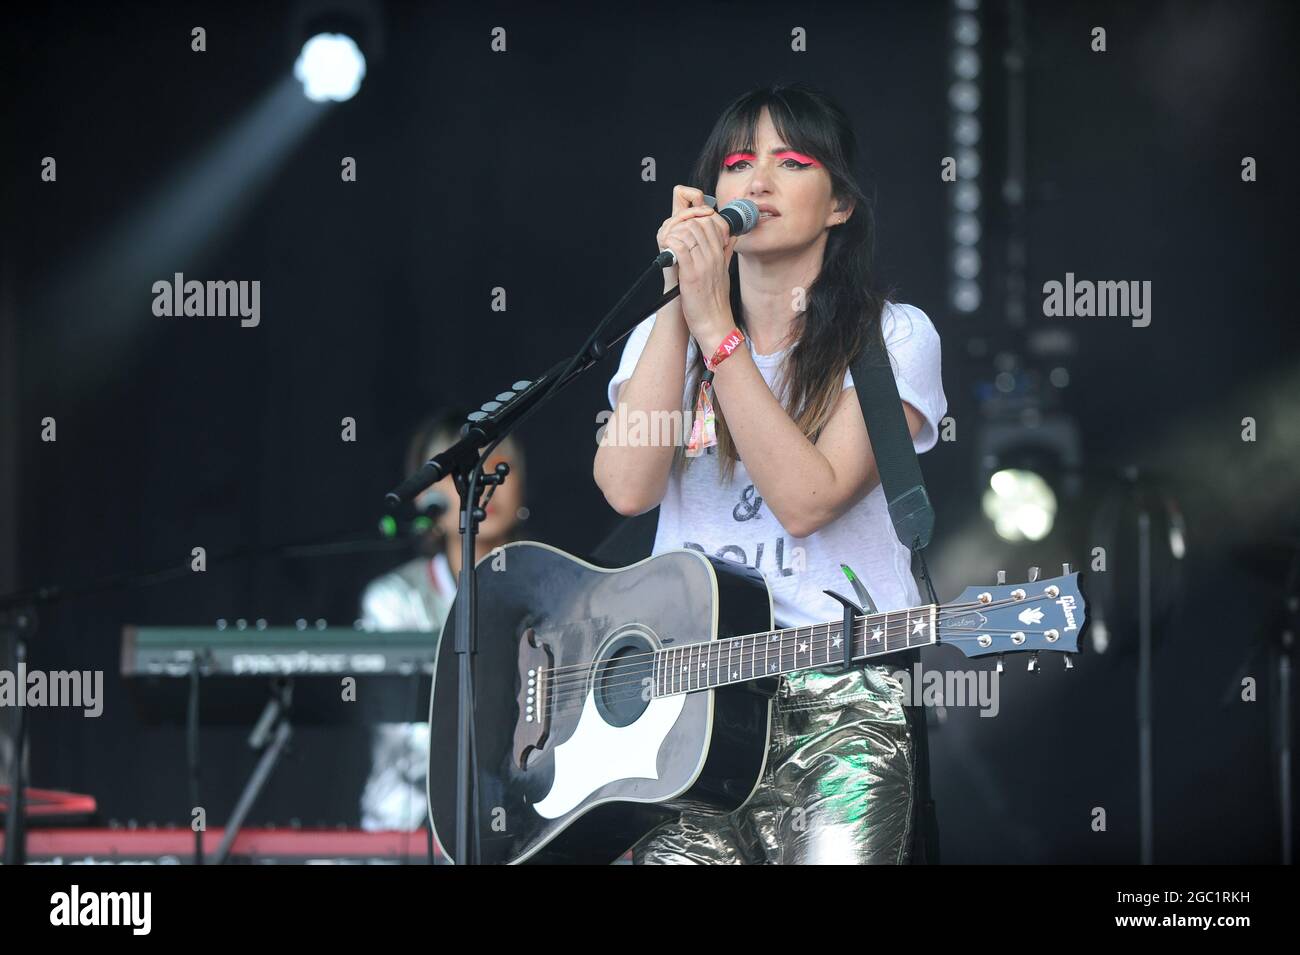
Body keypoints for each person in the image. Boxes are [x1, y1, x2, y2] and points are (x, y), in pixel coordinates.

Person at [593, 83, 947, 864]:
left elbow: (806, 499)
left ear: (839, 207)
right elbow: (626, 486)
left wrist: (719, 332)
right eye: (737, 163)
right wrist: (675, 309)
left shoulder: (892, 339)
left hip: (845, 702)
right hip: (697, 710)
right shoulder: (671, 337)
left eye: (790, 162)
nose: (756, 182)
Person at [358, 410, 526, 831]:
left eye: (499, 466)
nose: (487, 481)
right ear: (425, 496)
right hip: (409, 825)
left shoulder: (552, 587)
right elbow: (405, 739)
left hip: (521, 824)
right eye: (465, 471)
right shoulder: (392, 600)